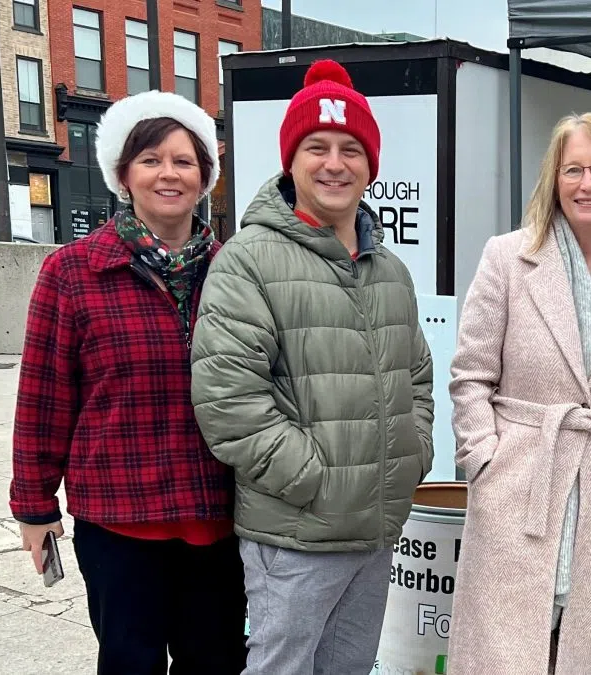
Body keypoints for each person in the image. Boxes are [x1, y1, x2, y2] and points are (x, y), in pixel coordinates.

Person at [190, 59, 434, 675]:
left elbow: (417, 378)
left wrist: (413, 453)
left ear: (370, 166)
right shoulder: (248, 260)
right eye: (317, 148)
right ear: (291, 163)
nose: (334, 164)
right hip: (295, 533)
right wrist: (313, 479)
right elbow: (229, 400)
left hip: (374, 529)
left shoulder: (390, 272)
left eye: (351, 150)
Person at [9, 90, 246, 674]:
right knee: (128, 663)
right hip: (119, 519)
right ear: (123, 174)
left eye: (184, 161)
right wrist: (34, 506)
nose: (169, 174)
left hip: (221, 517)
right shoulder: (73, 271)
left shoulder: (238, 270)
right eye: (151, 160)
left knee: (216, 663)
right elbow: (42, 397)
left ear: (205, 177)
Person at [445, 111, 591, 674]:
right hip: (520, 482)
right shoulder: (508, 257)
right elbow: (471, 374)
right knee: (504, 654)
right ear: (554, 178)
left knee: (581, 651)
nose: (587, 184)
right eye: (574, 170)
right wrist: (484, 460)